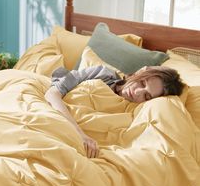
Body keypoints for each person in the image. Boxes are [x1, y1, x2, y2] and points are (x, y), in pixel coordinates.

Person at [45, 65, 185, 158]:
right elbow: (52, 94)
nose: (137, 93)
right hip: (52, 117)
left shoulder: (137, 113)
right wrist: (80, 134)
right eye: (142, 83)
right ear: (141, 72)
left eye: (146, 96)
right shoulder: (103, 73)